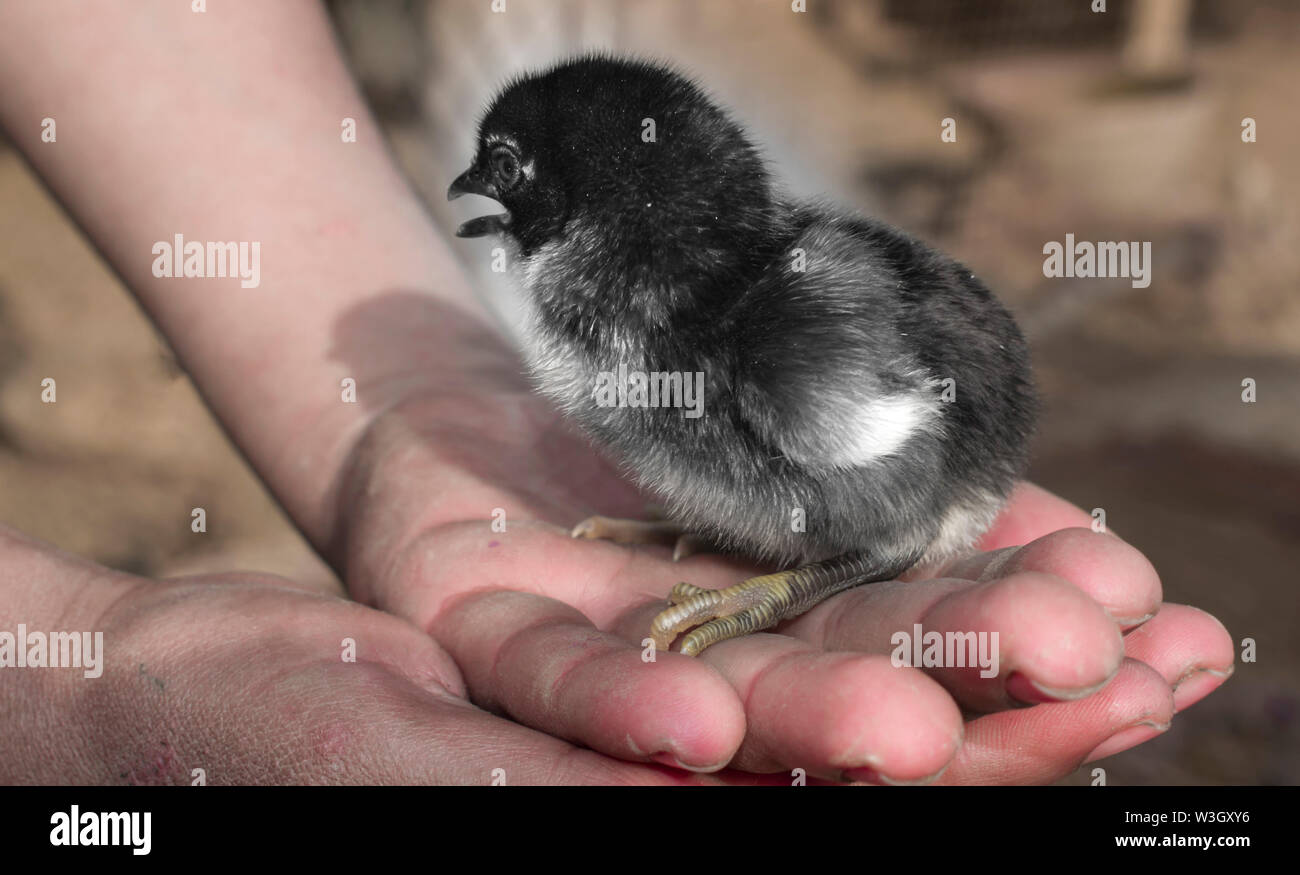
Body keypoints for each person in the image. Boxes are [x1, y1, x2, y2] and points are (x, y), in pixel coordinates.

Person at [0, 0, 1233, 784]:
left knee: (827, 417)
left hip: (896, 449)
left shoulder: (761, 330)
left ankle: (833, 560)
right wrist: (67, 676)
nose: (489, 185)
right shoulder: (702, 282)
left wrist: (794, 577)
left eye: (515, 167)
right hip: (887, 392)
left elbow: (879, 409)